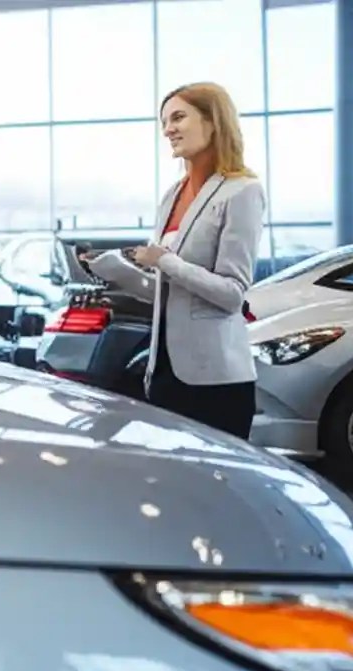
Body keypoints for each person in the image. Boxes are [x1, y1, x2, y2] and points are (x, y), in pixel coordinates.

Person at [85, 82, 264, 439]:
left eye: (178, 118)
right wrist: (116, 272)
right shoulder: (172, 195)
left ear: (213, 121)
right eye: (164, 122)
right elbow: (167, 295)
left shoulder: (242, 191)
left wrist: (165, 261)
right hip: (164, 371)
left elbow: (232, 294)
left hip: (215, 379)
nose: (168, 130)